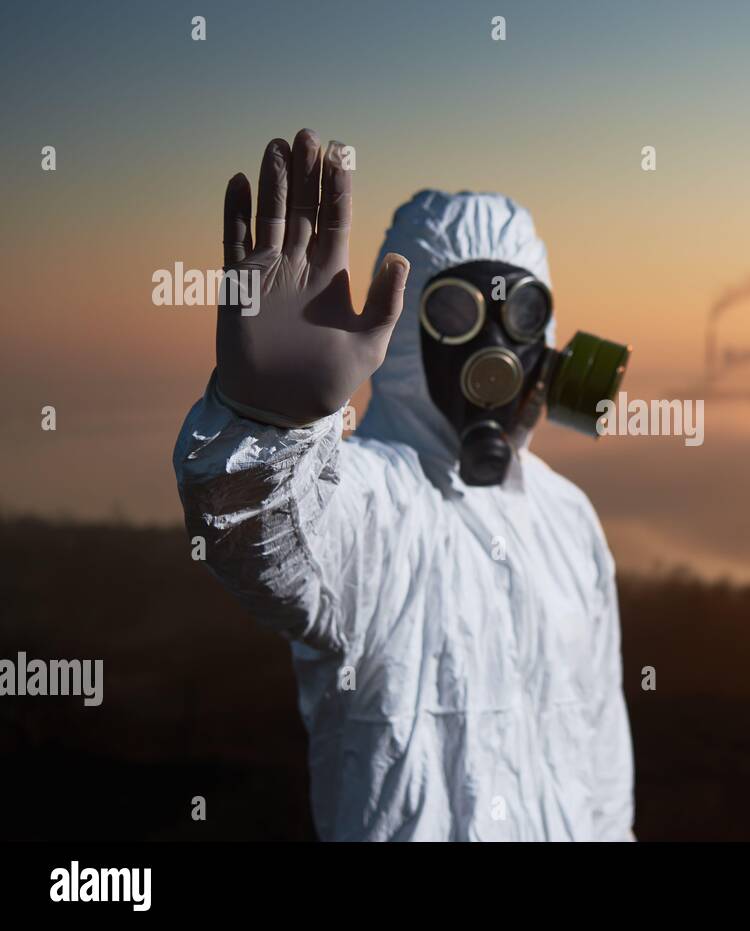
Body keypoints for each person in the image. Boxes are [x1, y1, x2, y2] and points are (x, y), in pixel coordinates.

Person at [174, 129, 635, 841]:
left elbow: (603, 756)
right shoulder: (375, 500)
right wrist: (266, 422)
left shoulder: (569, 519)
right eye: (455, 312)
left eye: (522, 313)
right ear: (406, 330)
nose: (497, 343)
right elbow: (269, 537)